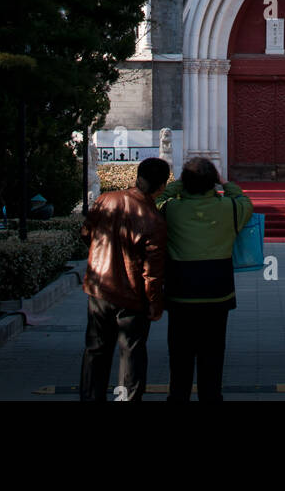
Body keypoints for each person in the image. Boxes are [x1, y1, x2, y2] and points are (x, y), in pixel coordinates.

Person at [159, 157, 253, 403]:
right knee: (212, 354)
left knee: (180, 354)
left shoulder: (171, 209)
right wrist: (224, 182)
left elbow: (154, 201)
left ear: (184, 182)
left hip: (181, 292)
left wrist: (178, 184)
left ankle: (178, 396)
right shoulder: (230, 209)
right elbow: (245, 200)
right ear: (214, 182)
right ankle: (211, 396)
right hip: (216, 293)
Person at [79, 156, 171, 402]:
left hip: (99, 288)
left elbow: (86, 232)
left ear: (137, 177)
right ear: (162, 187)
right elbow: (152, 272)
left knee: (95, 350)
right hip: (132, 296)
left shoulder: (105, 200)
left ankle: (90, 397)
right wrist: (155, 304)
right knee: (131, 352)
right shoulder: (154, 220)